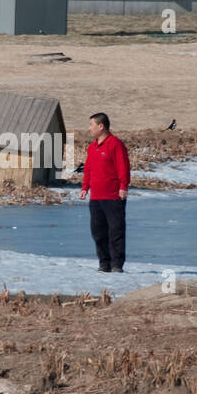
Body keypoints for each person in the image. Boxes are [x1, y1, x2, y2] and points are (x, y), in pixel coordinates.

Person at [79, 112, 130, 273]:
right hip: (96, 198)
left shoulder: (115, 144)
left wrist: (123, 186)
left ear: (101, 126)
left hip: (113, 196)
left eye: (91, 125)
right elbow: (88, 169)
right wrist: (85, 187)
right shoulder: (92, 147)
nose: (89, 129)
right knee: (98, 232)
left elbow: (123, 167)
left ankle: (116, 265)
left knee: (115, 231)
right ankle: (104, 263)